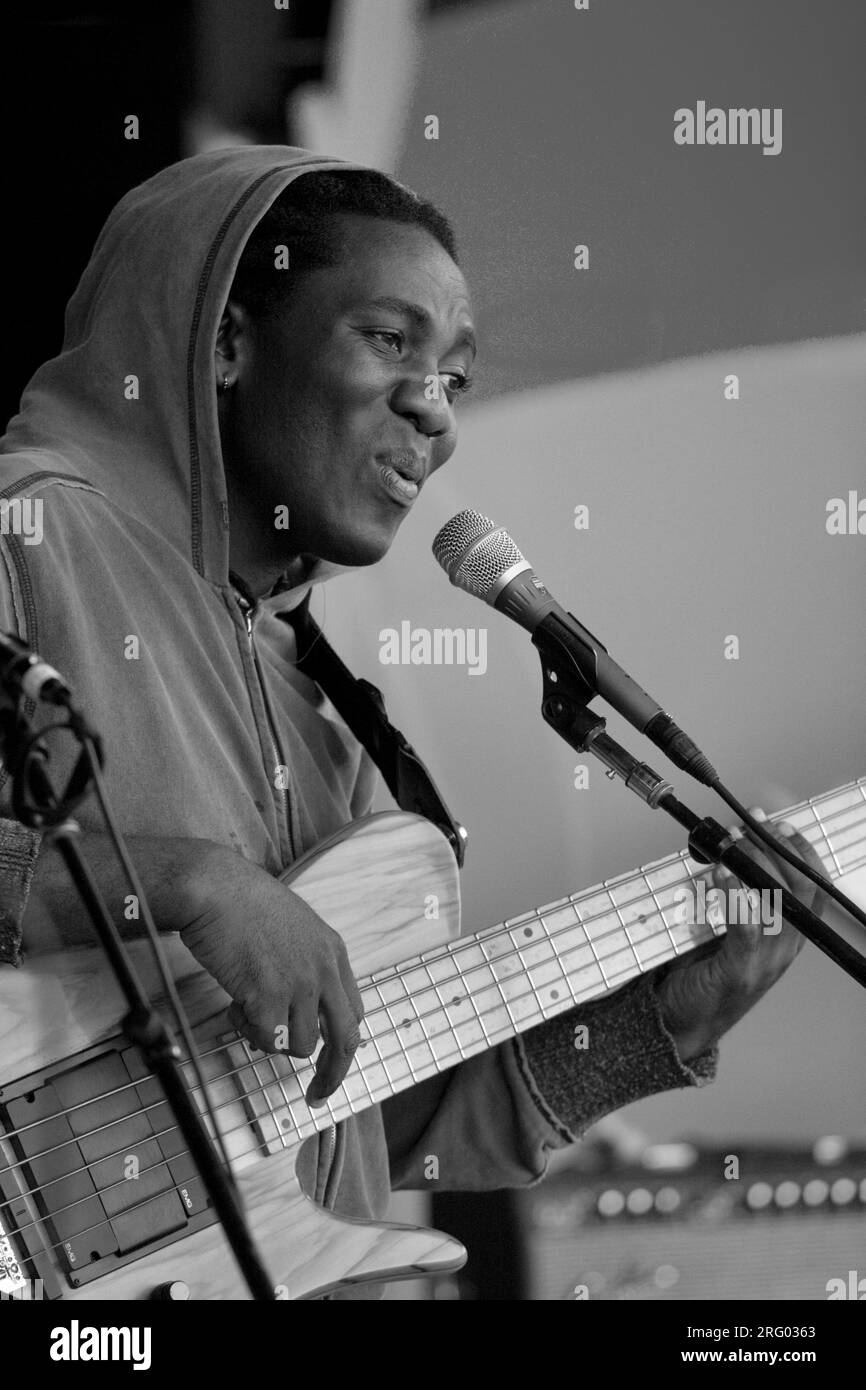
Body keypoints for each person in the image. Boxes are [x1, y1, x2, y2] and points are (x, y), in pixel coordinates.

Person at [0, 147, 824, 1299]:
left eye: (456, 379)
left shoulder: (329, 724)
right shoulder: (28, 537)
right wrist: (189, 883)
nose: (432, 415)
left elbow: (351, 1129)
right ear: (224, 342)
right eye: (390, 342)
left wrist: (668, 1014)